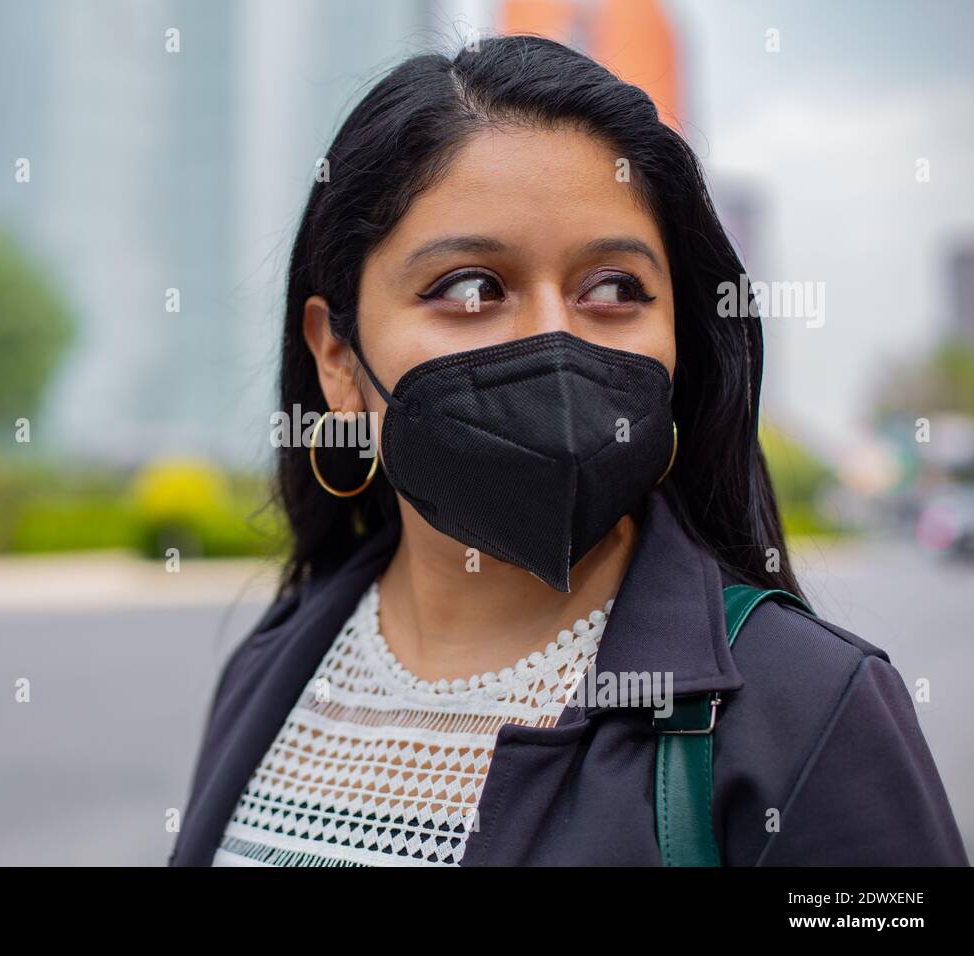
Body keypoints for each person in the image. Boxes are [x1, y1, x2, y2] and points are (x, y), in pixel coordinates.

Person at [170, 34, 969, 867]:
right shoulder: (272, 668)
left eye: (613, 288)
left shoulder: (809, 709)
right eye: (471, 287)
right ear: (337, 357)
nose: (555, 341)